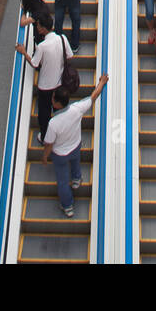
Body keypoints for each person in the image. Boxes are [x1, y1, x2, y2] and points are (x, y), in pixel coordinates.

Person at [43, 73, 108, 218]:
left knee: (62, 182)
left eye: (53, 98)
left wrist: (45, 157)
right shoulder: (77, 109)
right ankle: (77, 179)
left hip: (60, 154)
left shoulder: (53, 123)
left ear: (56, 103)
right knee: (76, 164)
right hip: (75, 146)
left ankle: (68, 206)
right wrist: (102, 82)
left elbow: (49, 144)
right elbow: (93, 96)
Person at [15, 13, 73, 144]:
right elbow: (69, 56)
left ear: (42, 29)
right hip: (60, 83)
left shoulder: (42, 46)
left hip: (45, 86)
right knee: (60, 111)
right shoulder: (62, 38)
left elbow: (35, 63)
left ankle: (45, 137)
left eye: (38, 26)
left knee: (44, 114)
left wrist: (24, 52)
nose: (37, 28)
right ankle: (60, 135)